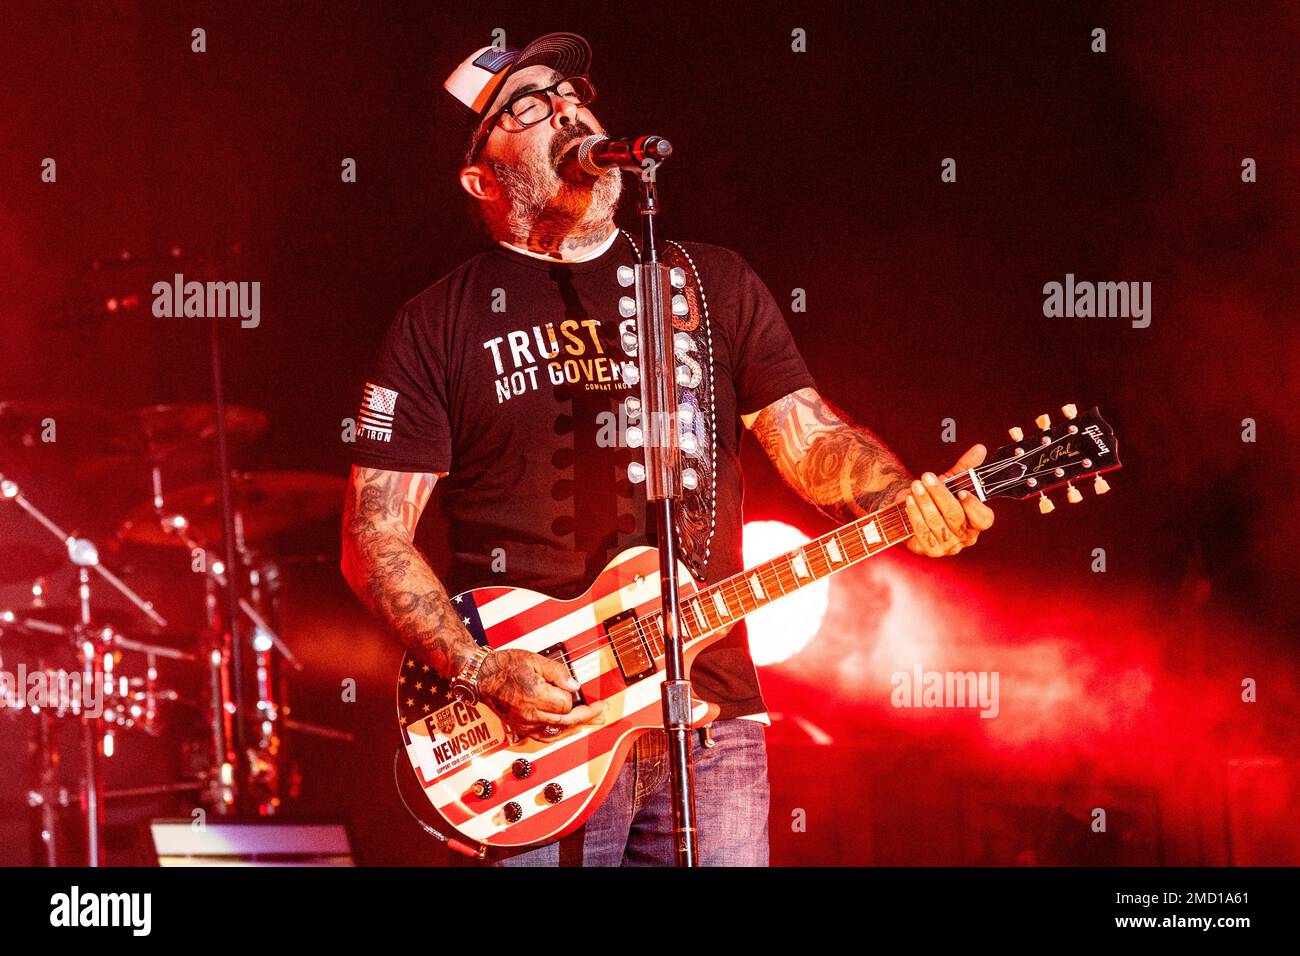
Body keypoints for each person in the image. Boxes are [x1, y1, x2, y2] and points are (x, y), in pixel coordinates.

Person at [340, 32, 994, 866]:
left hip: (711, 726)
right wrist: (478, 671)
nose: (568, 110)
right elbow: (373, 536)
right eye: (528, 106)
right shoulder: (436, 324)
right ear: (479, 176)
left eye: (574, 94)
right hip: (533, 733)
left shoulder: (706, 283)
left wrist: (904, 501)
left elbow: (811, 436)